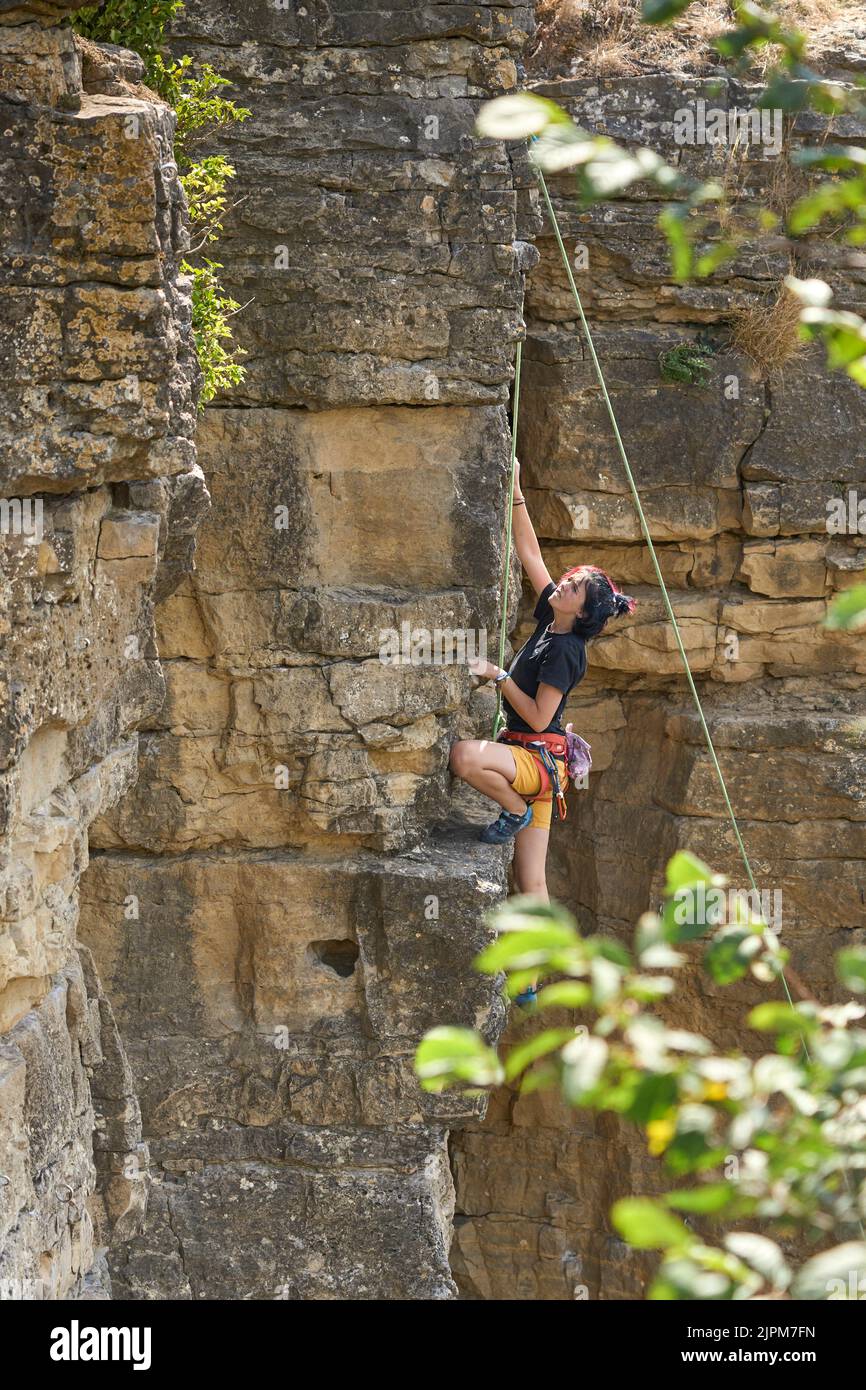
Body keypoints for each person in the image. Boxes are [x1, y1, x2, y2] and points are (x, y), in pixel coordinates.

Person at [449, 458, 636, 911]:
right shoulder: (554, 616)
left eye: (573, 588)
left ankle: (515, 809)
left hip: (534, 762)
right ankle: (531, 986)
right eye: (568, 579)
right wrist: (515, 486)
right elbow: (529, 552)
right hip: (538, 768)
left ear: (582, 613)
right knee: (530, 884)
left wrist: (500, 677)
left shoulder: (567, 649)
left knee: (462, 757)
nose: (564, 584)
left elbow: (536, 715)